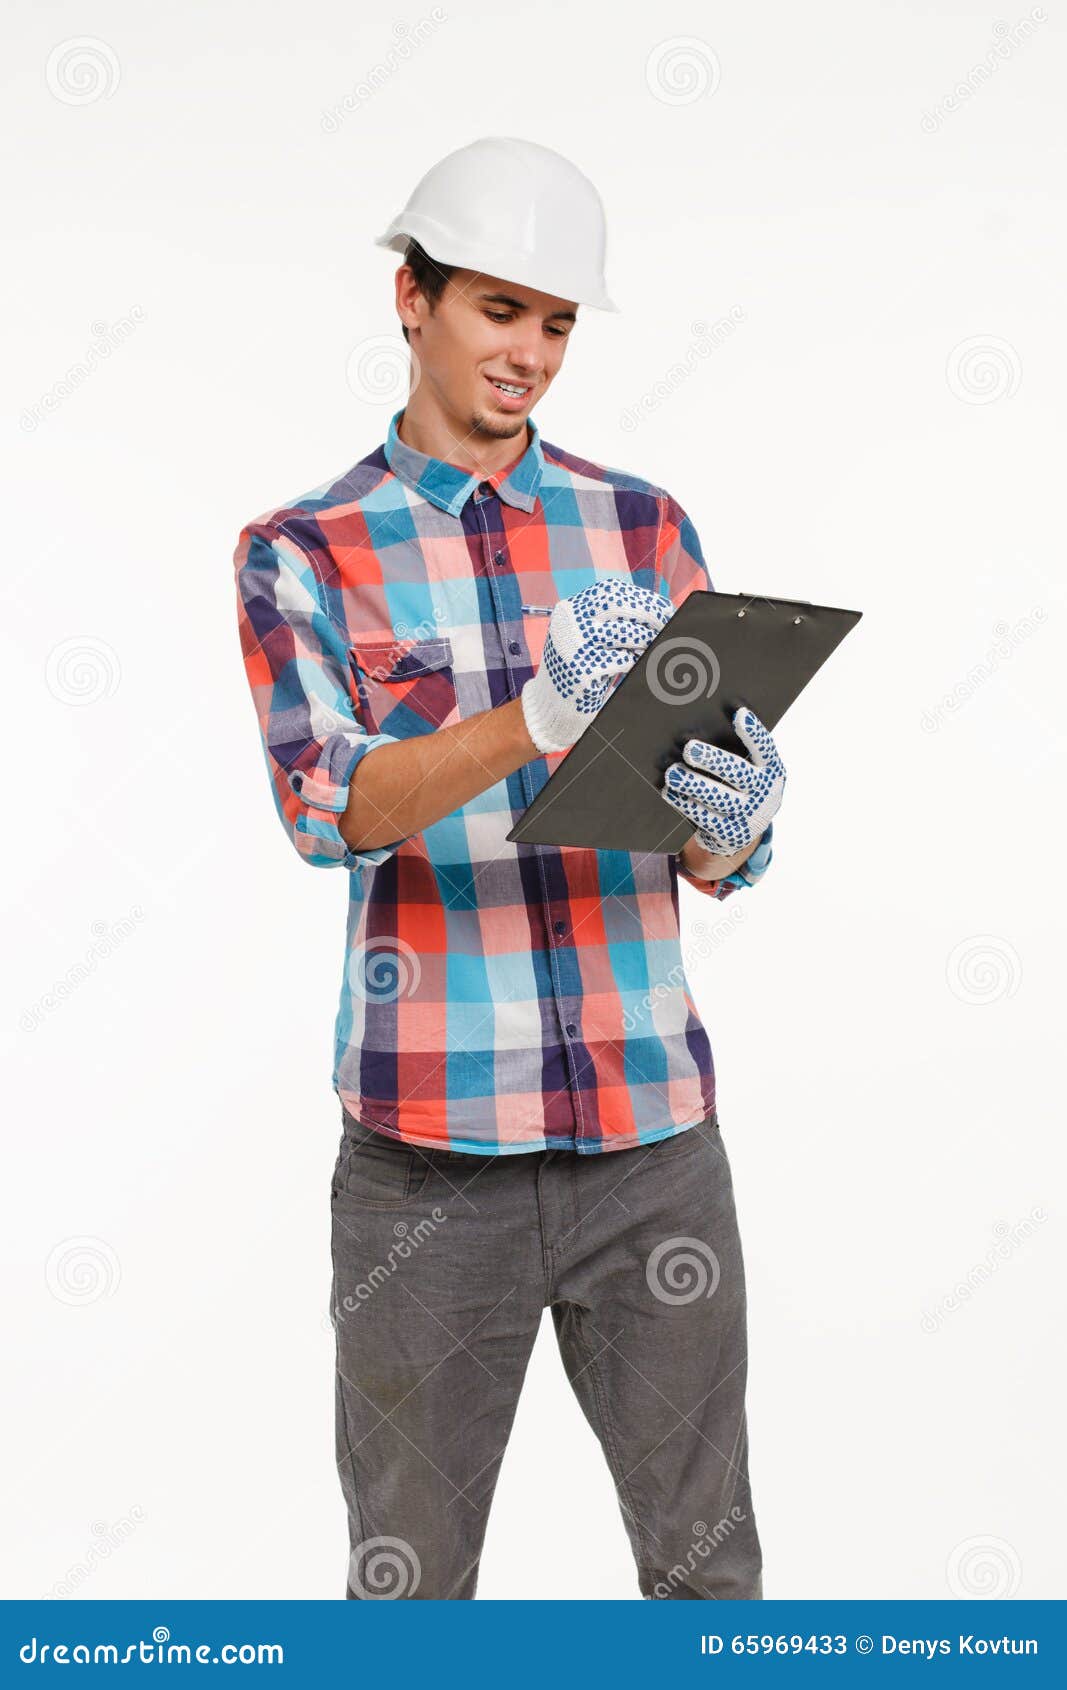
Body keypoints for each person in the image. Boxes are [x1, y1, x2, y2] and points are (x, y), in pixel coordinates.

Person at [233, 136, 786, 1601]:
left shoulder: (642, 527)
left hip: (650, 1148)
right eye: (498, 308)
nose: (530, 351)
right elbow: (323, 804)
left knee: (708, 1571)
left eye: (557, 322)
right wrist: (536, 718)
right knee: (412, 1593)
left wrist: (735, 812)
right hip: (428, 1163)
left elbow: (710, 844)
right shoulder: (305, 552)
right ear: (411, 298)